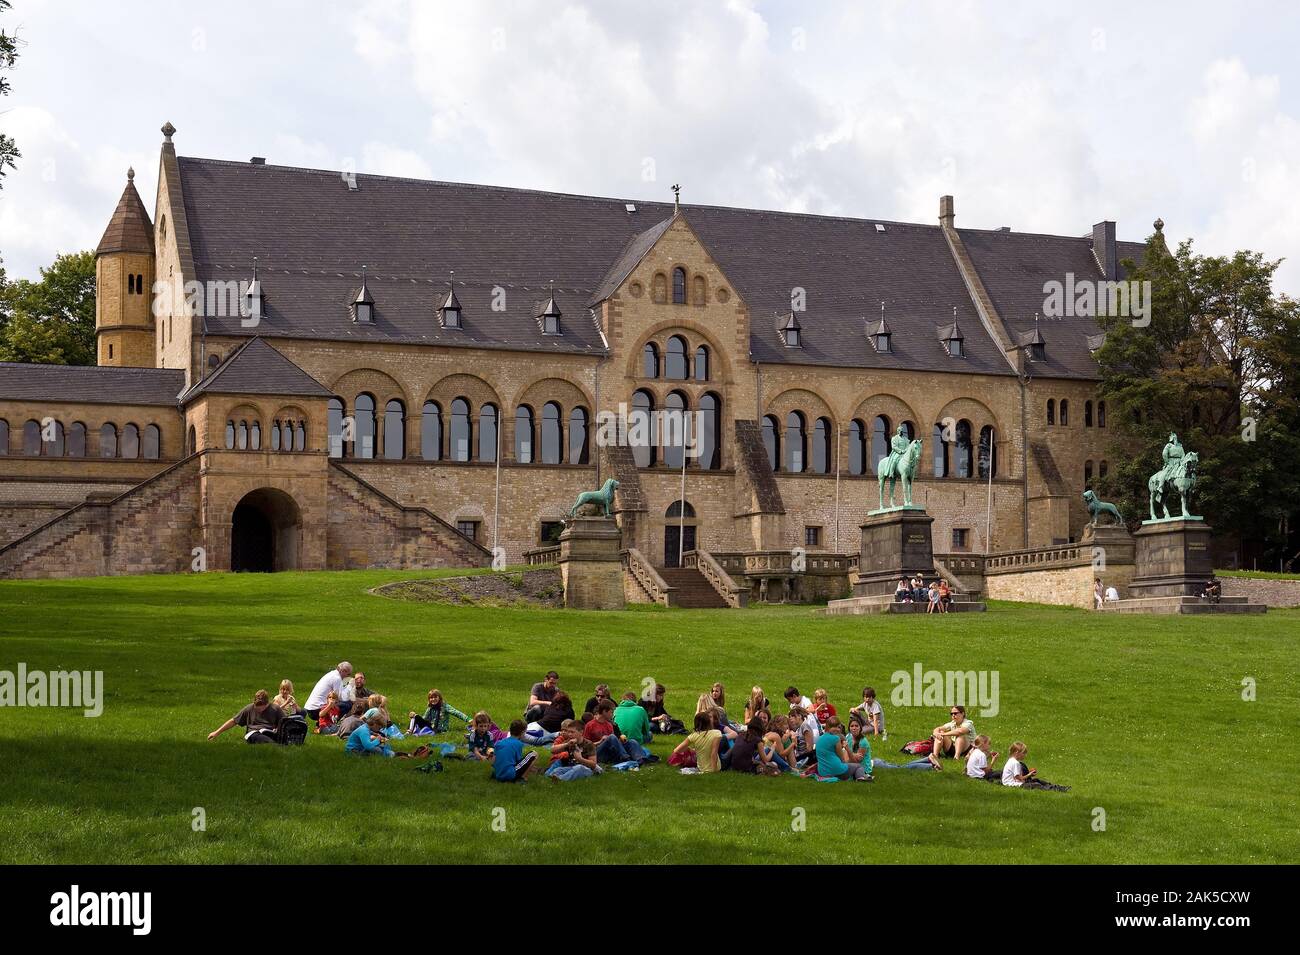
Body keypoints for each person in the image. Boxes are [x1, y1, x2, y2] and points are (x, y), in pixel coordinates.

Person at [583, 700, 653, 764]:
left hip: (609, 753)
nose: (613, 715)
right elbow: (584, 747)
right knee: (612, 737)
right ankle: (626, 759)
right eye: (611, 712)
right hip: (597, 754)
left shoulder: (609, 725)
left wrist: (620, 742)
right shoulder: (590, 725)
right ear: (604, 711)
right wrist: (600, 741)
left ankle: (641, 759)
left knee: (631, 741)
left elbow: (613, 744)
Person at [208, 689, 286, 744]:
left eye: (261, 708)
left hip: (270, 732)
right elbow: (233, 721)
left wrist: (278, 729)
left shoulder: (275, 708)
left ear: (267, 704)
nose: (259, 710)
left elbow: (285, 722)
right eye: (257, 708)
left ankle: (276, 743)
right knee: (257, 736)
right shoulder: (249, 708)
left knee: (280, 736)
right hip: (254, 733)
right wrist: (216, 733)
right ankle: (274, 745)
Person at [1001, 741, 1069, 791]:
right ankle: (1055, 789)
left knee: (1036, 780)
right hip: (1012, 785)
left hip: (1013, 783)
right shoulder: (1015, 763)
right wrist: (1029, 775)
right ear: (1016, 752)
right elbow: (1020, 778)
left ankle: (1055, 787)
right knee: (1036, 784)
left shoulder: (1011, 760)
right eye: (1023, 753)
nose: (1025, 755)